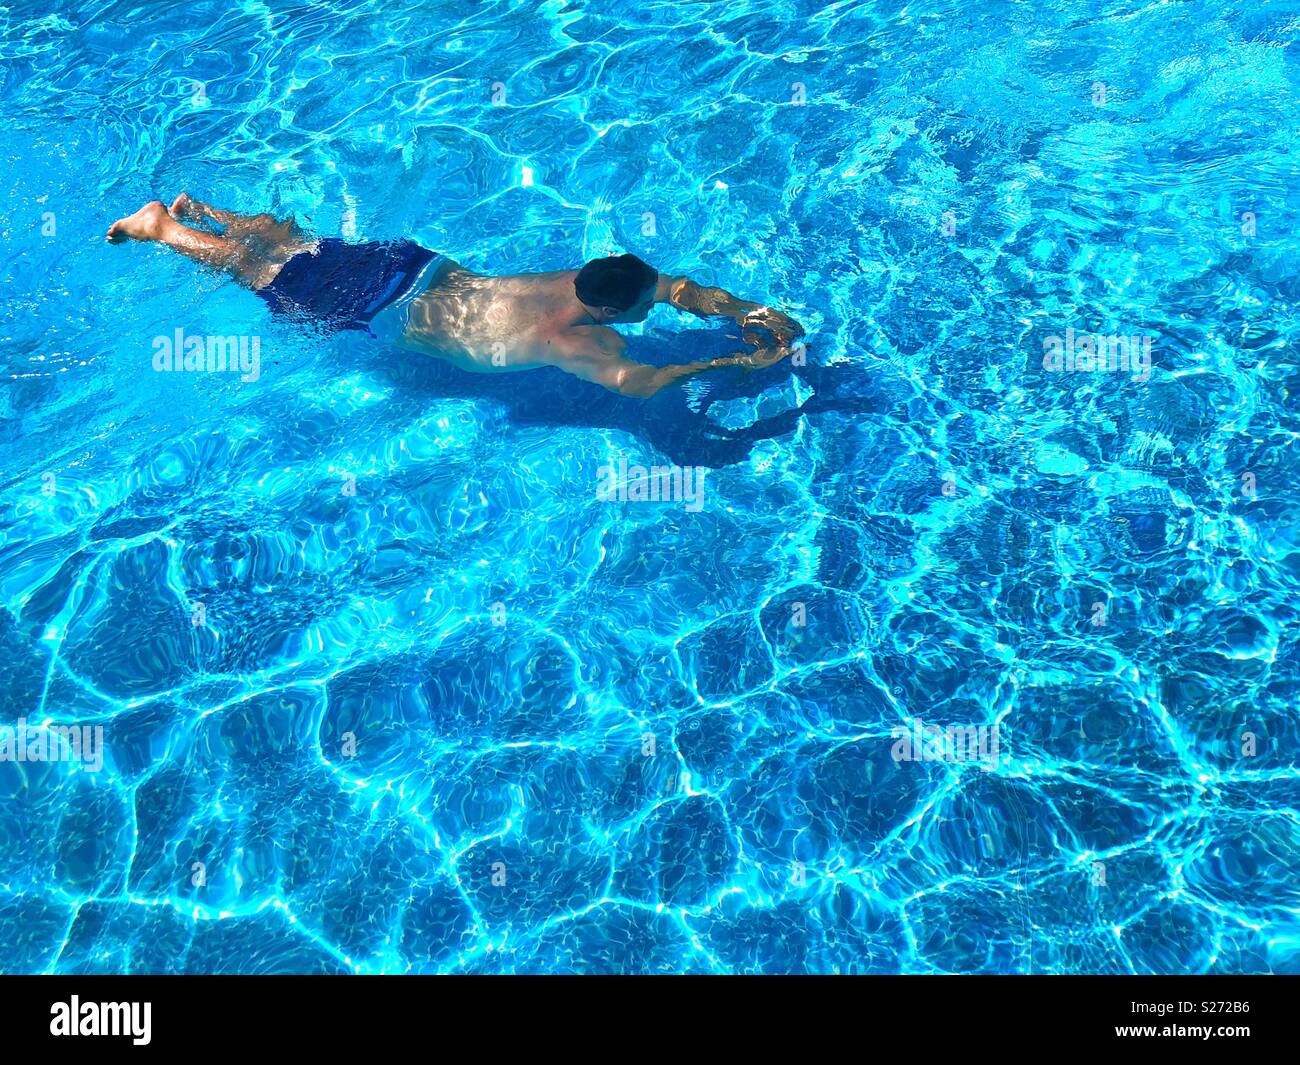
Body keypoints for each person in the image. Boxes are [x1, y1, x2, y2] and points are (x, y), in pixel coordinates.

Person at [108, 196, 804, 397]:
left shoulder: (599, 279)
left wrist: (743, 312)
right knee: (264, 277)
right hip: (385, 311)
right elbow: (642, 382)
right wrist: (730, 366)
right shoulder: (580, 339)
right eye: (644, 305)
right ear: (609, 311)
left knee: (303, 249)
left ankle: (210, 211)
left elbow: (681, 289)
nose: (655, 302)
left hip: (421, 267)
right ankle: (163, 227)